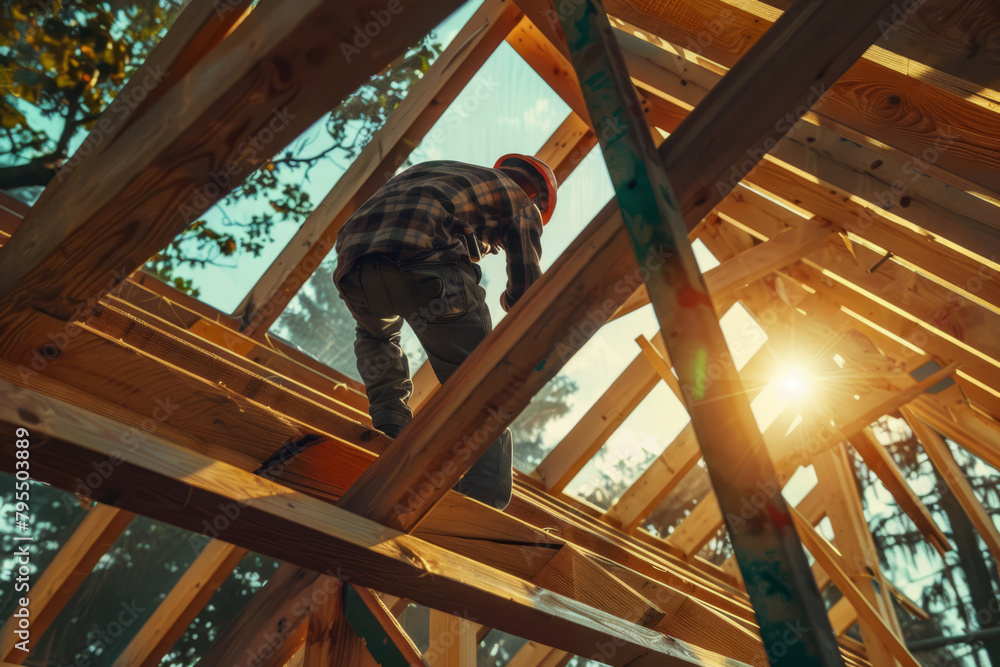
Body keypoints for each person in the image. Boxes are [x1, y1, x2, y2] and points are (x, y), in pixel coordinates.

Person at [332, 155, 558, 510]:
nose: (494, 247)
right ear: (535, 196)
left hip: (354, 267)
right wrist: (513, 303)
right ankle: (482, 500)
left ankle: (390, 426)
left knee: (376, 337)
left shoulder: (439, 171)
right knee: (481, 382)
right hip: (429, 267)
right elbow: (528, 292)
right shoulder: (522, 201)